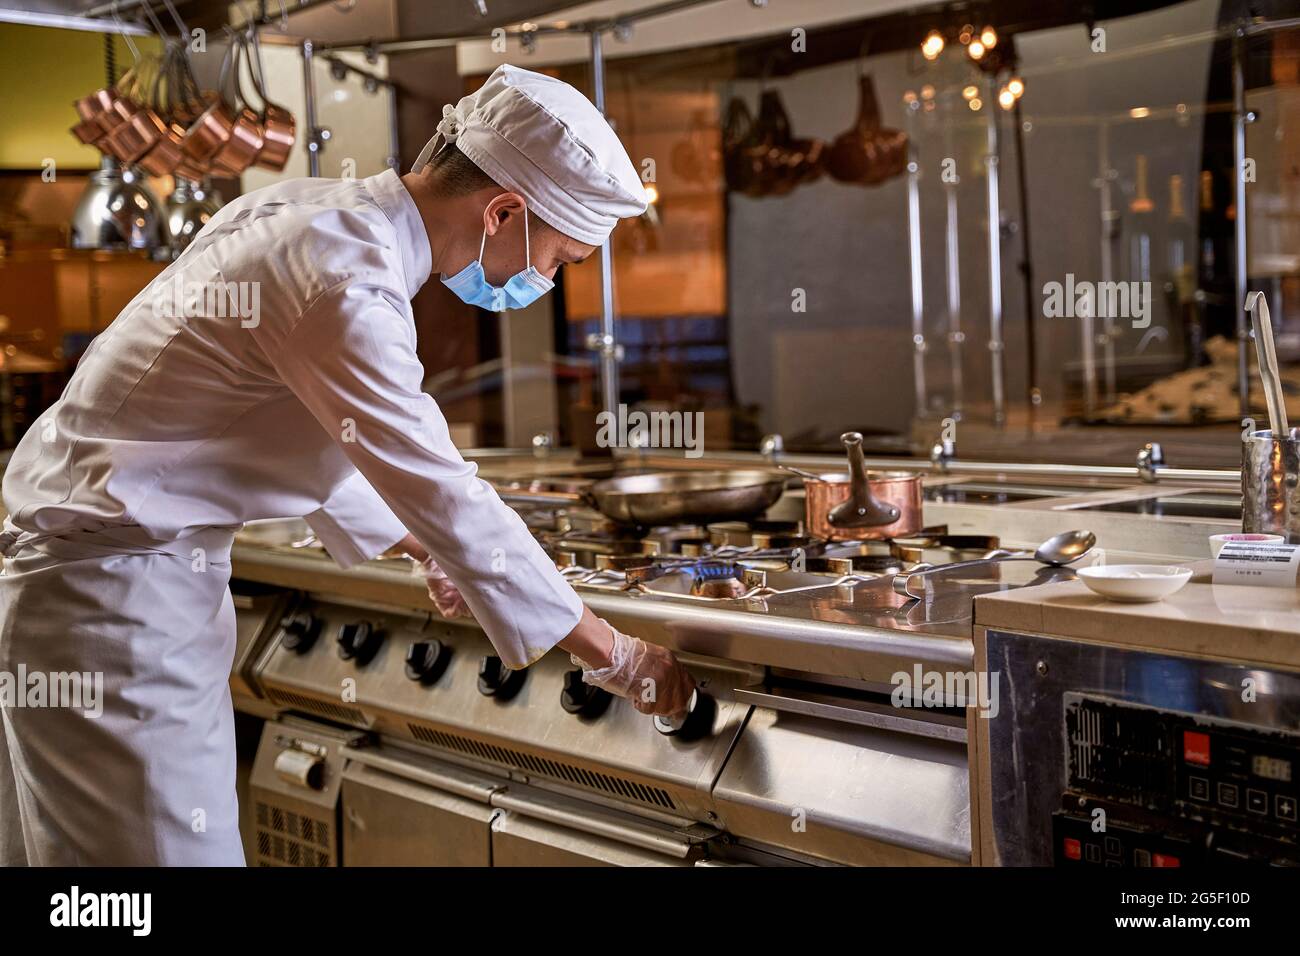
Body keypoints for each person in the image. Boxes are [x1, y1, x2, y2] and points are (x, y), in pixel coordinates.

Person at [0, 64, 695, 866]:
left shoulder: (311, 211)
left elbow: (304, 433)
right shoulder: (344, 278)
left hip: (109, 581)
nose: (545, 280)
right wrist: (617, 655)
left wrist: (427, 548)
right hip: (114, 603)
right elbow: (440, 485)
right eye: (560, 260)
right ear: (504, 211)